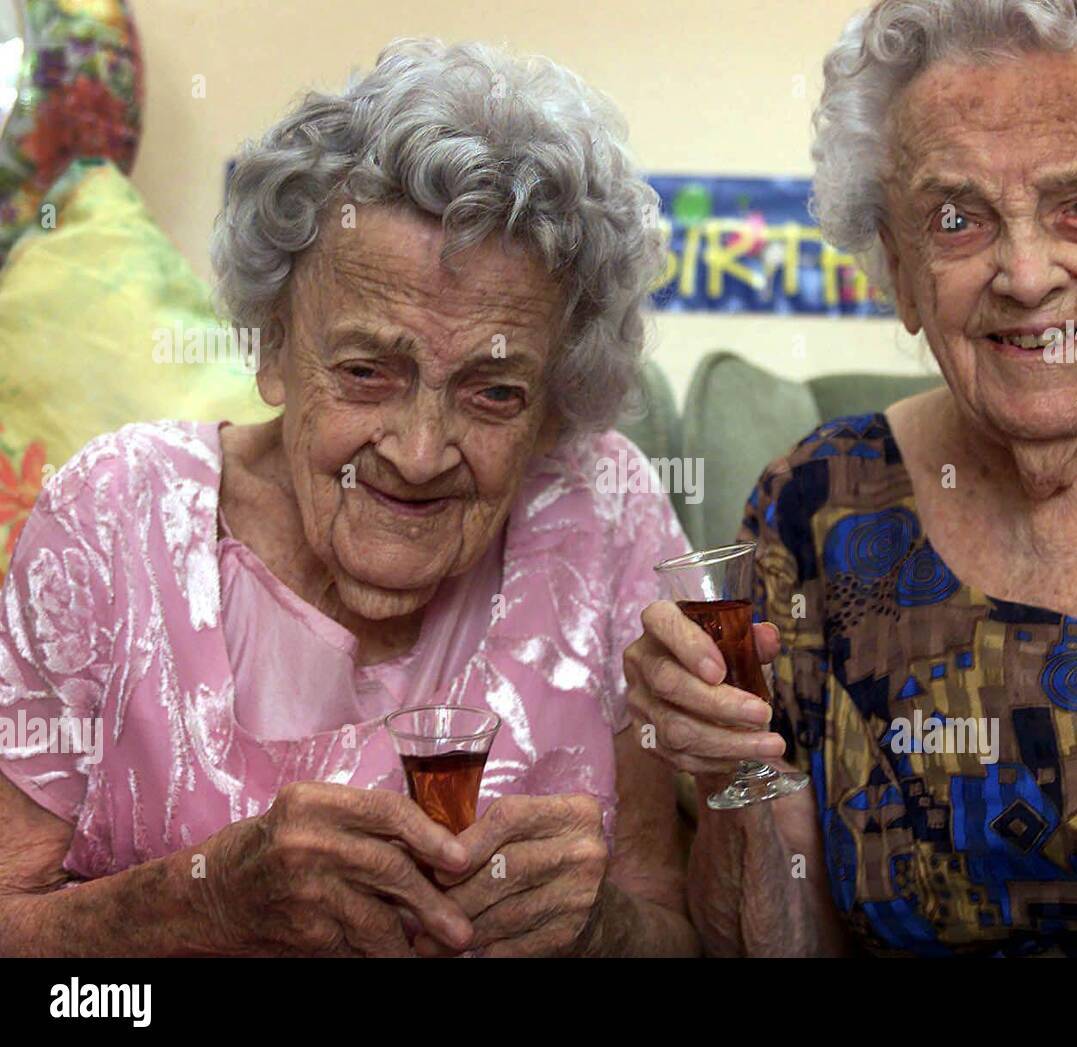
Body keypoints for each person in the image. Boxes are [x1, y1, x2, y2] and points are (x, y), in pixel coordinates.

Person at [626, 0, 1077, 956]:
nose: (1025, 274)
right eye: (957, 218)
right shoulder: (818, 513)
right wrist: (729, 774)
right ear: (900, 272)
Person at [0, 38, 695, 958]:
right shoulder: (111, 518)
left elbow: (672, 931)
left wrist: (595, 926)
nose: (417, 452)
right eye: (368, 370)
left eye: (494, 392)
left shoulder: (603, 514)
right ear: (274, 347)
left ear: (554, 399)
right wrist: (203, 906)